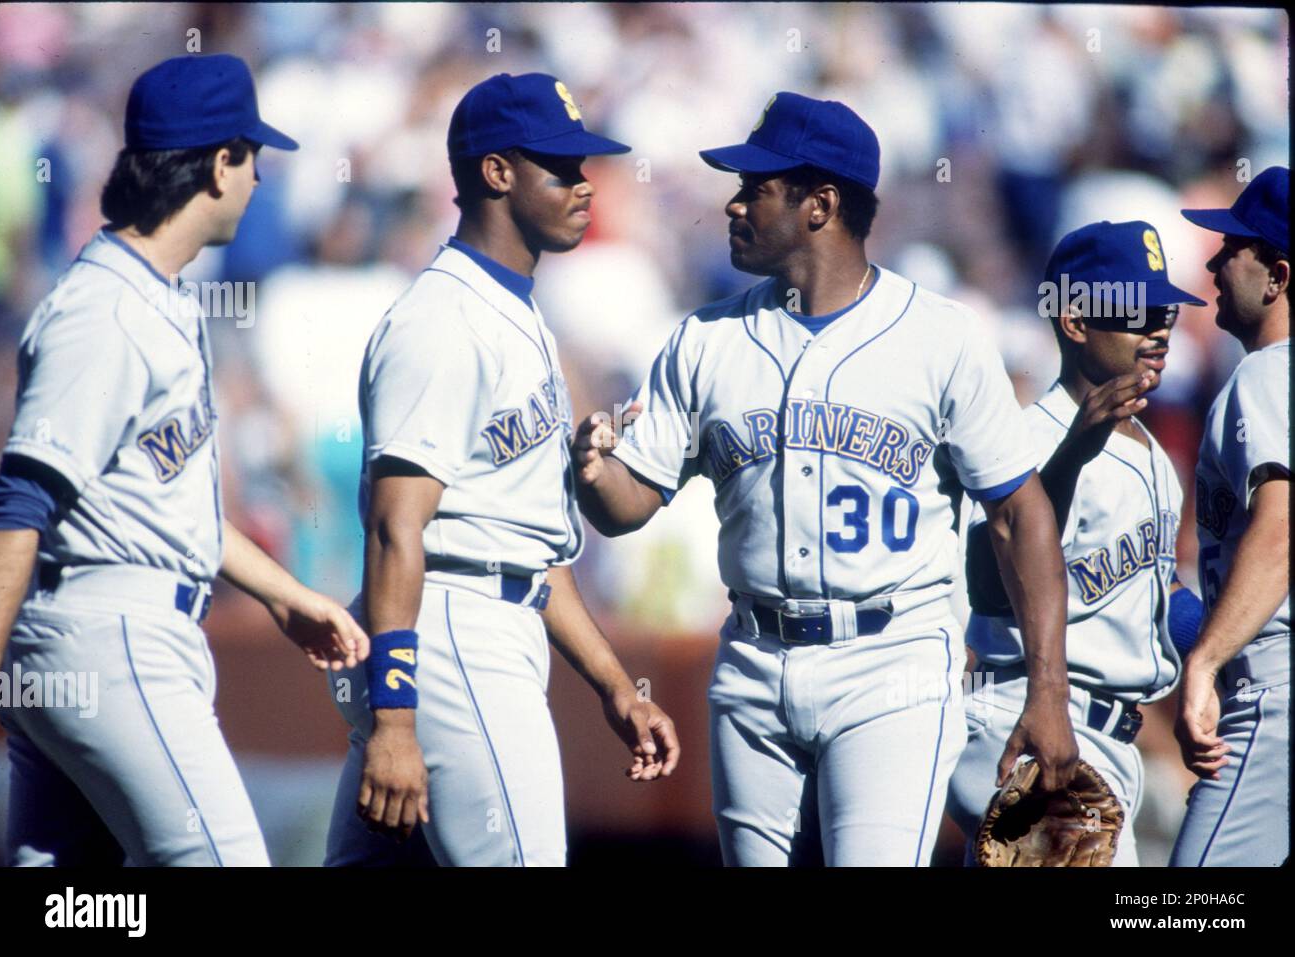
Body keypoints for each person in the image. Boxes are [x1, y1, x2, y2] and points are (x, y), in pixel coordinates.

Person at [572, 92, 1077, 866]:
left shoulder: (939, 336)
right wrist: (594, 471)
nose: (733, 205)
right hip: (751, 658)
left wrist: (1048, 689)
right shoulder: (704, 339)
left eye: (756, 188)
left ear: (821, 204)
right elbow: (626, 506)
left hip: (892, 661)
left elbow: (1021, 513)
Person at [0, 54, 367, 866]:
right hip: (110, 634)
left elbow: (166, 507)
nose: (259, 181)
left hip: (113, 627)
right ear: (216, 161)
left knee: (75, 905)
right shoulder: (104, 309)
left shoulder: (157, 294)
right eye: (251, 158)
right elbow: (21, 499)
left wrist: (285, 595)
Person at [323, 73, 680, 868]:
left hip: (488, 618)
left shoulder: (516, 313)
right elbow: (394, 527)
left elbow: (533, 553)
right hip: (451, 636)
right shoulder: (442, 319)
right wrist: (394, 719)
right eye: (561, 167)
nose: (585, 186)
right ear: (496, 173)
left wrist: (617, 685)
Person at [947, 220, 1205, 865]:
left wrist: (1229, 645)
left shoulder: (1150, 450)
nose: (1158, 329)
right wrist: (1069, 460)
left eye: (1165, 310)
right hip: (1029, 722)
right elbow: (988, 577)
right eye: (1134, 312)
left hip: (1116, 735)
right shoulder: (1025, 441)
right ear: (1075, 321)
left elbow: (1155, 593)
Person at [1171, 166, 1289, 867]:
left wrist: (1205, 660)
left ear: (1278, 275)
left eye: (1234, 248)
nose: (1215, 262)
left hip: (1271, 693)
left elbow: (1281, 531)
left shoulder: (1268, 373)